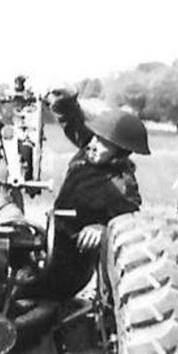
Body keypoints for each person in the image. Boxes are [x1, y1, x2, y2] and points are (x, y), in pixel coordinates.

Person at [16, 88, 149, 301]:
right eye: (95, 137)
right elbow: (72, 120)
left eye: (104, 142)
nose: (93, 145)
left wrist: (103, 229)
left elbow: (129, 225)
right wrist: (64, 100)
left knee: (34, 299)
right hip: (51, 239)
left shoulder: (122, 186)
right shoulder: (91, 149)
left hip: (71, 261)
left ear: (121, 151)